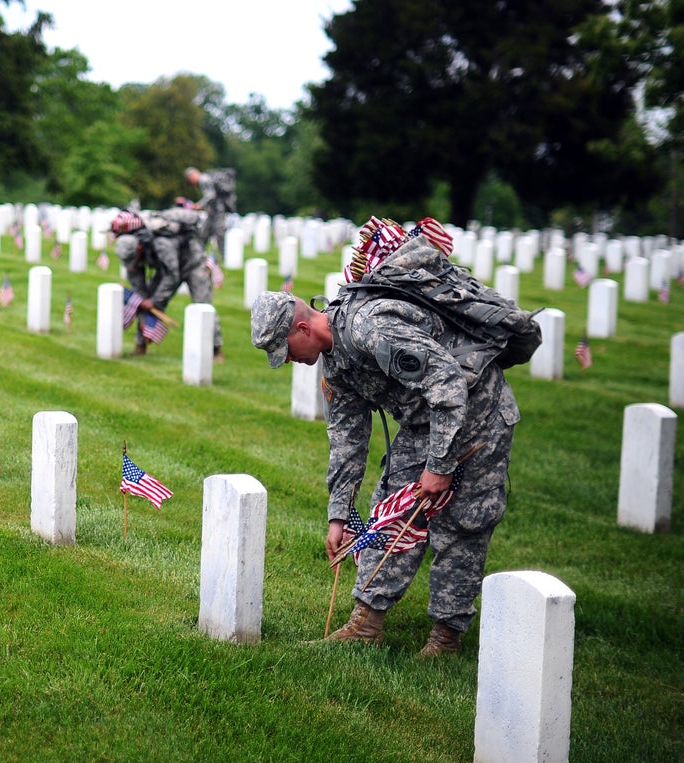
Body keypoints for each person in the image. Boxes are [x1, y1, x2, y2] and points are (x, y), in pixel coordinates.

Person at [249, 228, 520, 656]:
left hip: (476, 411)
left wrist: (440, 467)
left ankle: (445, 636)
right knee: (389, 515)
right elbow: (346, 440)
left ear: (302, 327)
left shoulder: (369, 330)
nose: (288, 362)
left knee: (462, 521)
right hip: (421, 421)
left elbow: (448, 383)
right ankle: (366, 622)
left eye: (285, 351)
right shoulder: (335, 365)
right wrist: (339, 513)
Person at [112, 207, 224, 360]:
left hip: (192, 264)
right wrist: (144, 300)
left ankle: (216, 350)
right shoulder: (130, 253)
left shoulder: (162, 244)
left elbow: (172, 277)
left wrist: (154, 300)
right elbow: (137, 281)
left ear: (138, 248)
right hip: (166, 268)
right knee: (146, 304)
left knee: (203, 306)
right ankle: (141, 345)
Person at [183, 167, 236, 265]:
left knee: (219, 235)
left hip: (217, 212)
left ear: (193, 175)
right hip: (213, 212)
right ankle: (199, 256)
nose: (191, 182)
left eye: (189, 179)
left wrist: (199, 205)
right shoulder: (206, 178)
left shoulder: (203, 179)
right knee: (204, 235)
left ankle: (223, 259)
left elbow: (211, 195)